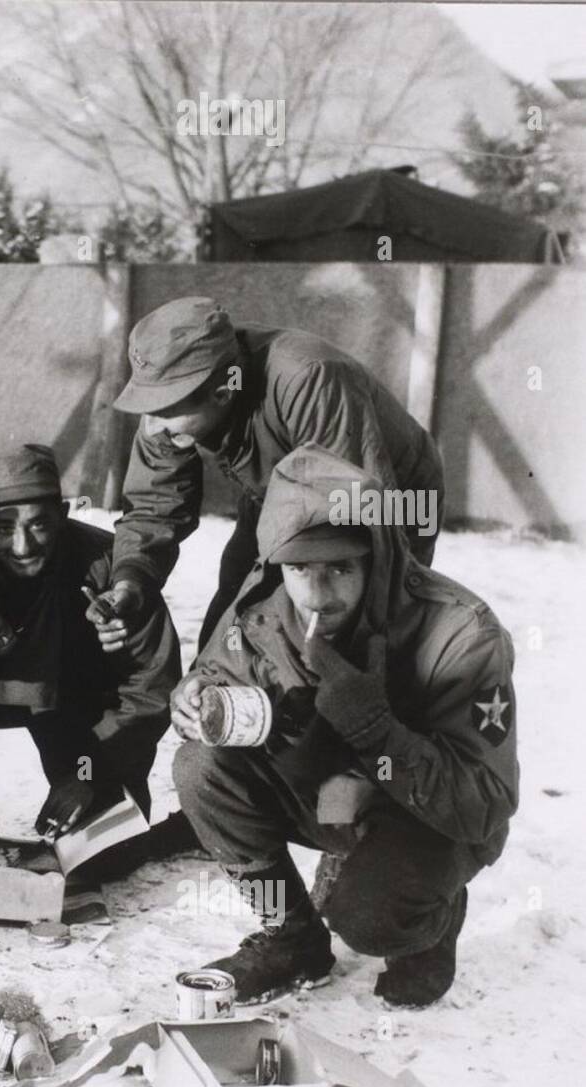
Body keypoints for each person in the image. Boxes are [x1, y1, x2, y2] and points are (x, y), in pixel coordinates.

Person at [88, 295, 447, 857]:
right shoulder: (171, 405)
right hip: (280, 493)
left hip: (379, 500)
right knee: (230, 626)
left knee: (337, 631)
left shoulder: (310, 378)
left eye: (170, 405)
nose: (153, 423)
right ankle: (224, 795)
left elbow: (344, 529)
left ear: (225, 385)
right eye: (150, 403)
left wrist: (258, 629)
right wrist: (131, 579)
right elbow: (153, 506)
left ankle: (353, 815)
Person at [171, 445, 517, 1008]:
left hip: (427, 814)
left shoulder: (460, 633)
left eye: (339, 567)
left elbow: (485, 805)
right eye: (299, 568)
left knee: (370, 921)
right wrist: (191, 699)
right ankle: (292, 938)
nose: (316, 593)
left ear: (376, 557)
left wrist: (376, 728)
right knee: (199, 767)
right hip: (324, 792)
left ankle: (432, 915)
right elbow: (214, 671)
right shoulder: (266, 607)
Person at [0, 444, 180, 843]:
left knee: (105, 854)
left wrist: (88, 773)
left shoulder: (112, 571)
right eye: (5, 528)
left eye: (39, 525)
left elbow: (151, 687)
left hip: (78, 707)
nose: (23, 546)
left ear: (62, 516)